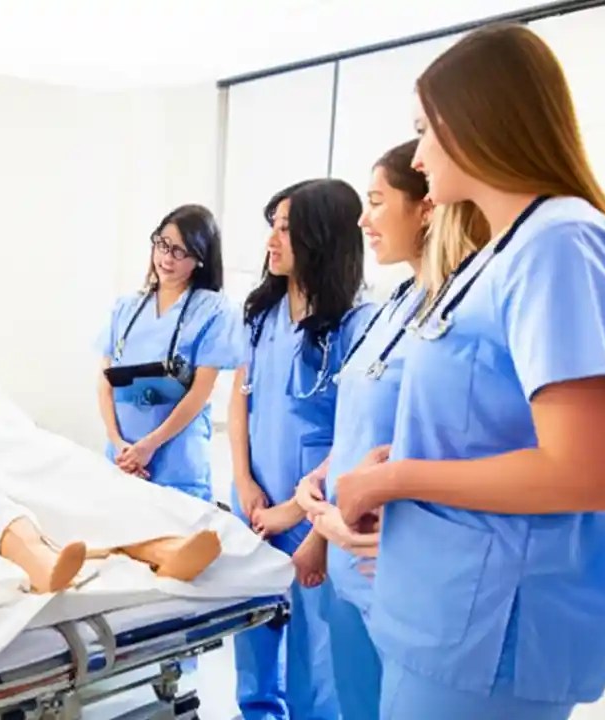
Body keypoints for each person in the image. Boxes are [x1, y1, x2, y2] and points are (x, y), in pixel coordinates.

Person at [333, 24, 605, 720]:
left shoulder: (563, 242)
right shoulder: (497, 256)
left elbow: (584, 472)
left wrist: (395, 478)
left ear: (477, 119)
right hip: (440, 606)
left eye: (424, 129)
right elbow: (484, 428)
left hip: (491, 629)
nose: (418, 155)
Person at [291, 141, 487, 720]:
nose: (362, 219)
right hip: (346, 562)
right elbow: (364, 429)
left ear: (426, 208)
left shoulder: (461, 313)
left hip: (394, 569)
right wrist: (318, 494)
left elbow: (446, 447)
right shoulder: (396, 304)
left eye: (376, 201)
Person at [0, 326, 231, 591]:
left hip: (7, 447)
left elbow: (15, 428)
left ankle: (165, 550)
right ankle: (44, 564)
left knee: (78, 475)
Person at [228, 178, 372, 720]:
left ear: (321, 236)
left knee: (317, 659)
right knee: (254, 636)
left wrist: (294, 512)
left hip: (318, 514)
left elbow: (358, 434)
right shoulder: (261, 313)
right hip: (254, 499)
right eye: (272, 226)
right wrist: (243, 480)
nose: (272, 240)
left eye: (285, 229)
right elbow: (240, 400)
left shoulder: (359, 323)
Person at [96, 204, 241, 502]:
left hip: (176, 460)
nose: (167, 257)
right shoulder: (126, 308)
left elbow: (200, 392)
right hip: (122, 457)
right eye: (162, 244)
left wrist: (149, 445)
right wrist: (117, 441)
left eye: (180, 251)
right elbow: (104, 382)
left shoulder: (213, 310)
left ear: (199, 258)